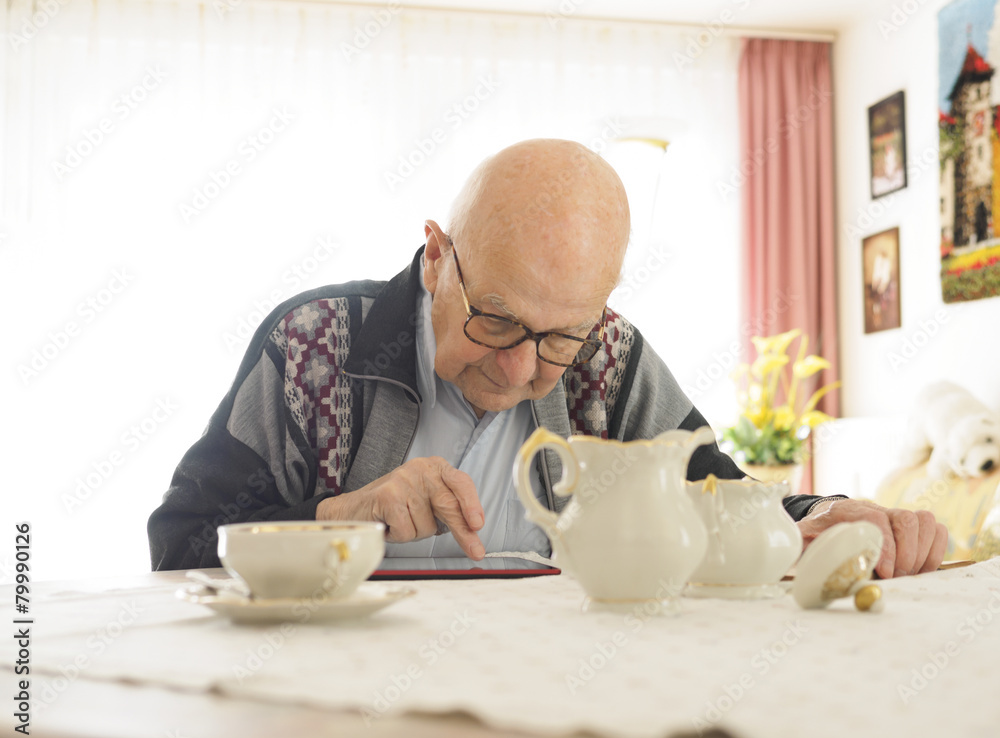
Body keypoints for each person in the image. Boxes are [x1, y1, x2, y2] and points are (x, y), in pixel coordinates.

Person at [148, 139, 947, 579]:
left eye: (560, 337)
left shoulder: (610, 357)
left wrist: (829, 518)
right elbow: (180, 542)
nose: (521, 370)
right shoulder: (311, 345)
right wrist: (335, 520)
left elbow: (723, 503)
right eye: (496, 321)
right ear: (435, 256)